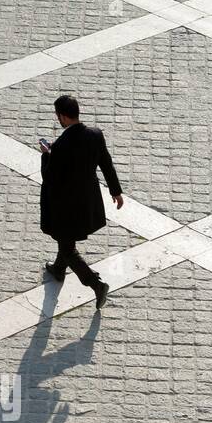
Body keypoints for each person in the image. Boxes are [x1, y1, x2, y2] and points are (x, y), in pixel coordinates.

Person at [38, 93, 123, 310]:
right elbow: (106, 163)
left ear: (63, 117)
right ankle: (58, 269)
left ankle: (96, 284)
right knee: (65, 239)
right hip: (87, 201)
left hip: (65, 205)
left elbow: (49, 177)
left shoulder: (61, 146)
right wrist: (116, 191)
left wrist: (46, 154)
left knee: (67, 248)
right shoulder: (95, 134)